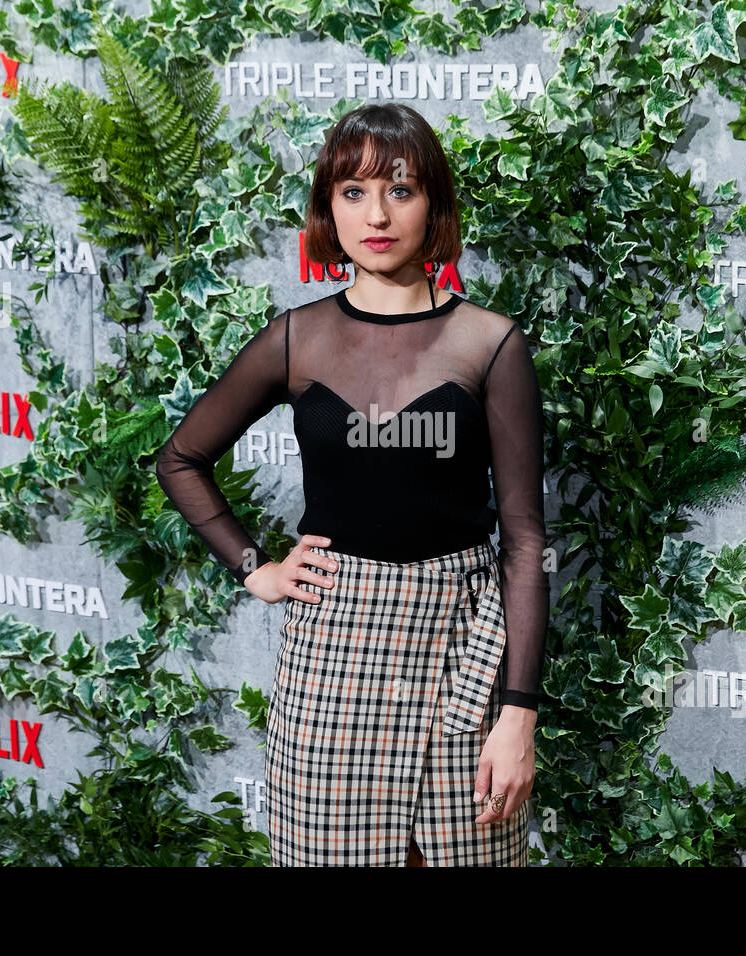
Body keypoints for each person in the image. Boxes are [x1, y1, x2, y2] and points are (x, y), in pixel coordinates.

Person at [155, 102, 548, 866]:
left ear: (432, 204)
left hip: (462, 647)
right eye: (354, 192)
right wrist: (255, 568)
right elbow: (181, 459)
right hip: (331, 661)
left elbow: (526, 539)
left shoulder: (489, 341)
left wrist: (518, 714)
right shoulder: (296, 338)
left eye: (400, 190)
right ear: (326, 208)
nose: (377, 214)